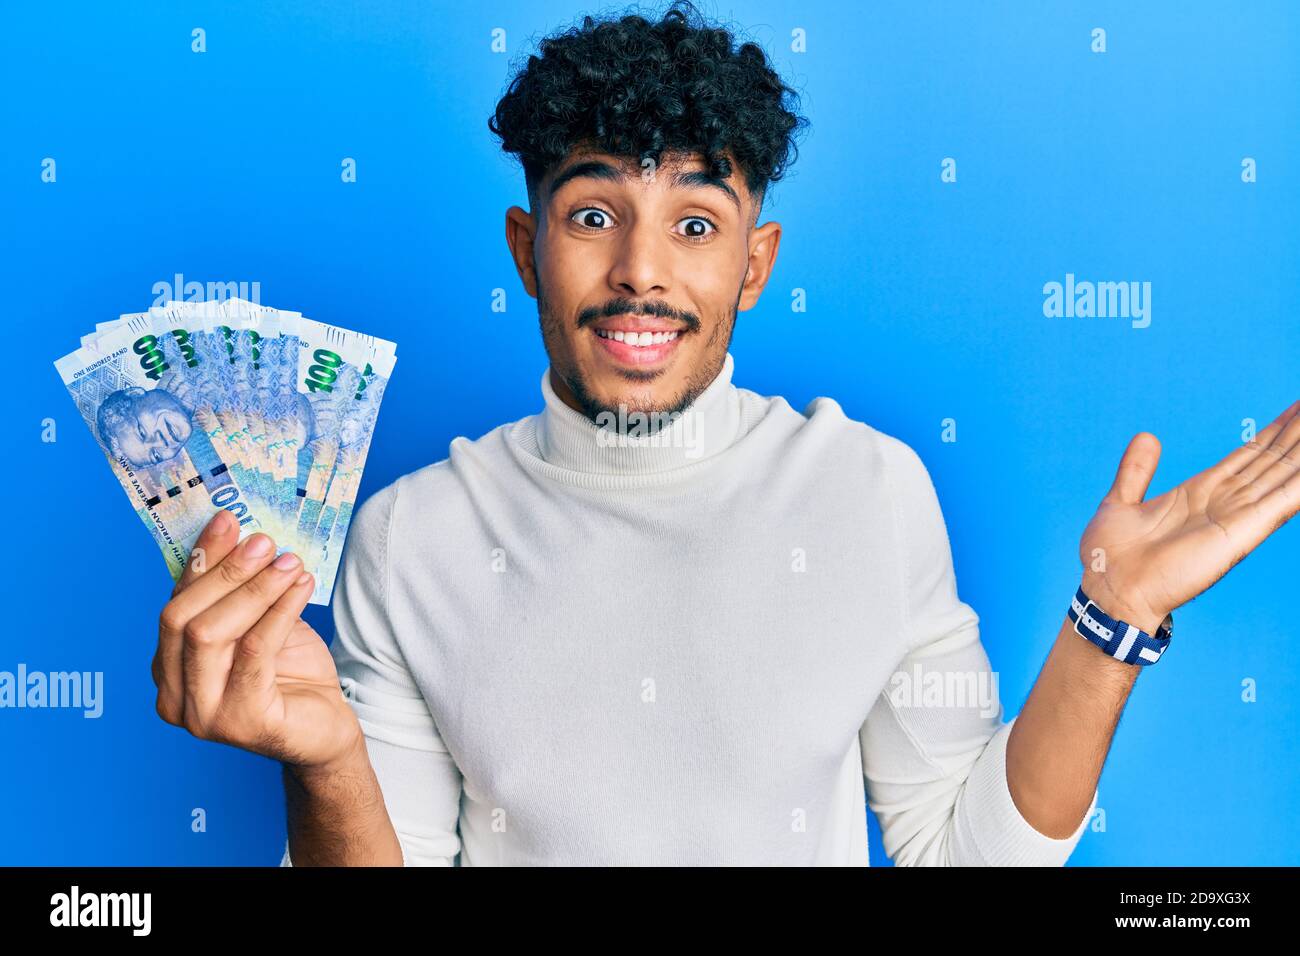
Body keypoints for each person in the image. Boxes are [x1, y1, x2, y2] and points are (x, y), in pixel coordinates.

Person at [151, 3, 1300, 866]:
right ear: (524, 248)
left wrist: (1113, 621)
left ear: (754, 264)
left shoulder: (868, 492)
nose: (640, 272)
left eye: (694, 223)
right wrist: (327, 756)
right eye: (592, 214)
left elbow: (964, 851)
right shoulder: (411, 538)